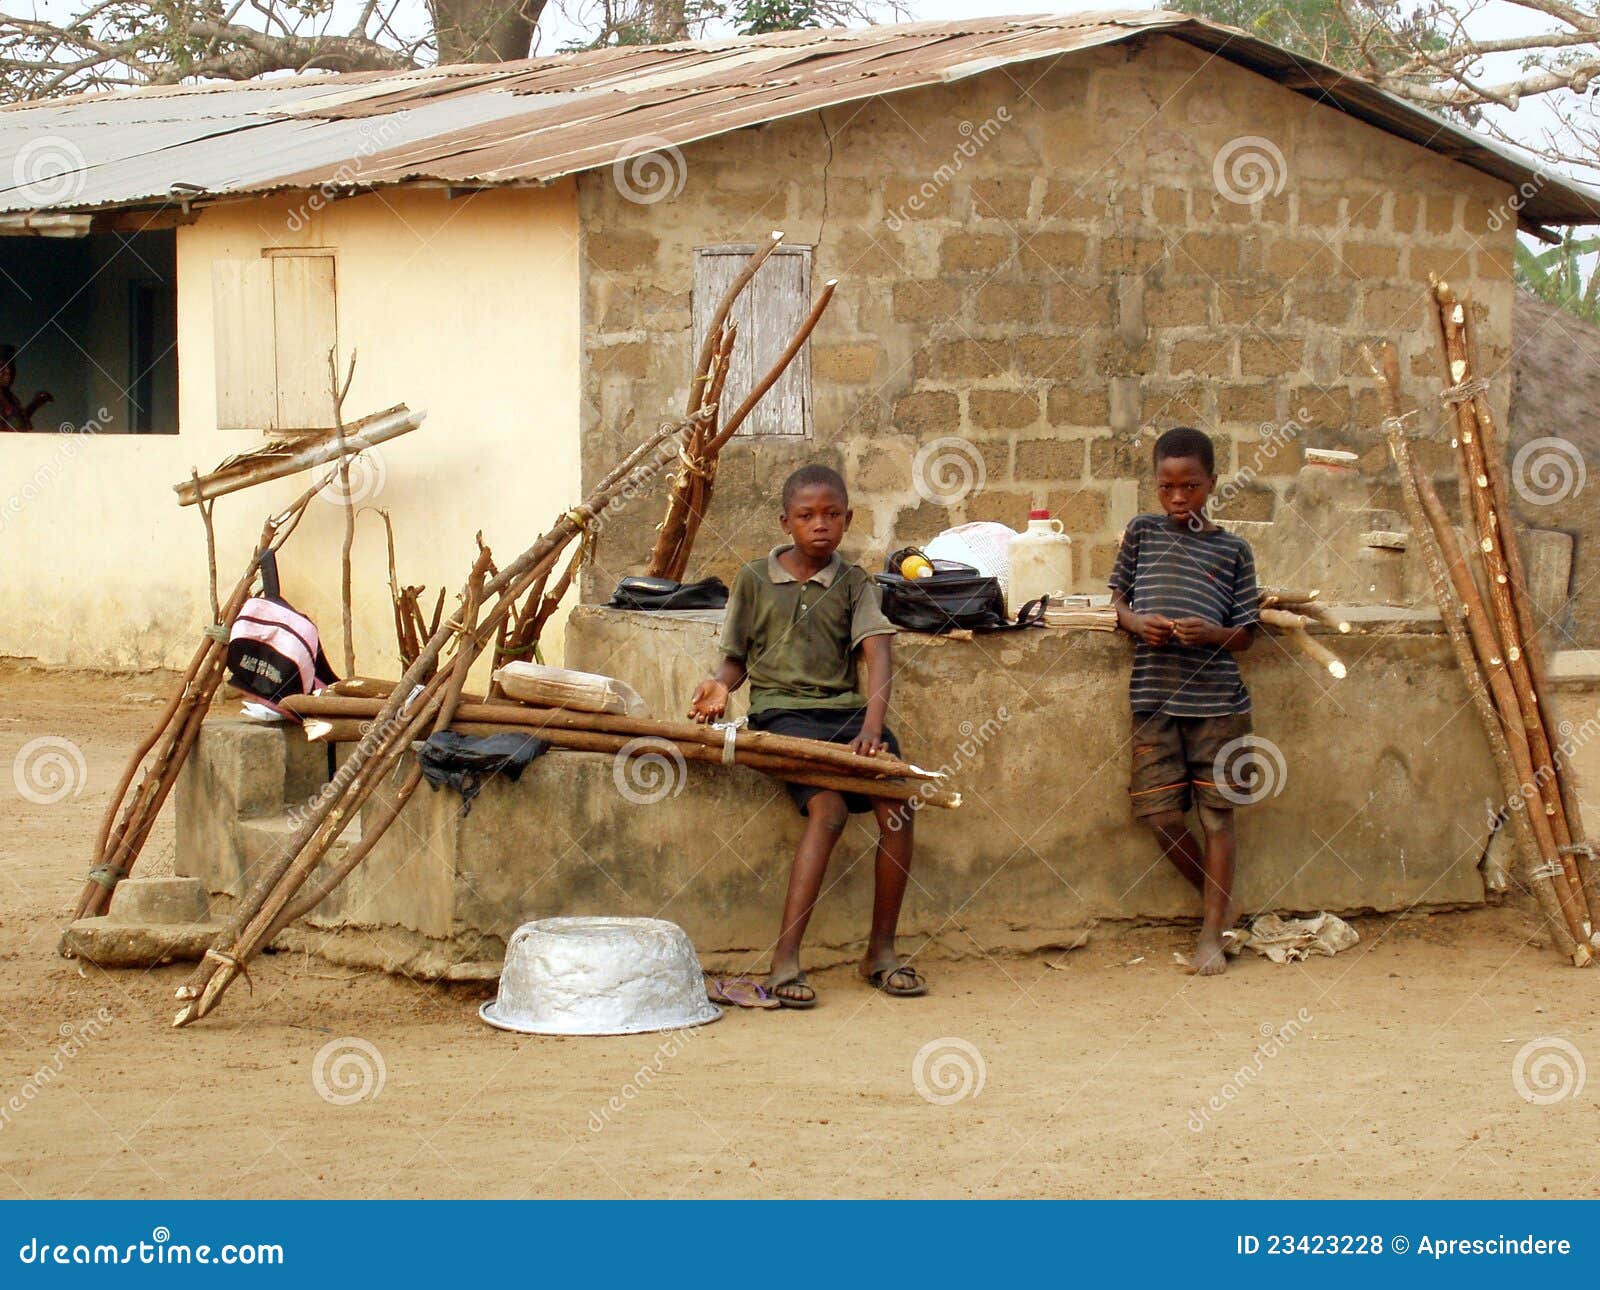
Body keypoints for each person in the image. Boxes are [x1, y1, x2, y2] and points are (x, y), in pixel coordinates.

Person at [688, 464, 925, 1008]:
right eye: (806, 516)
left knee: (899, 808)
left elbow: (878, 655)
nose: (820, 524)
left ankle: (881, 953)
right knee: (830, 811)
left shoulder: (855, 583)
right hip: (782, 718)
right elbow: (735, 660)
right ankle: (785, 961)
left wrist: (872, 728)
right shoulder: (753, 580)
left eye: (832, 514)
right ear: (785, 522)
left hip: (846, 717)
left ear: (848, 518)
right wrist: (719, 687)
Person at [1109, 426, 1258, 976]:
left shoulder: (1232, 549)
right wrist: (1135, 623)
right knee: (1160, 815)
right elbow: (1117, 600)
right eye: (1167, 487)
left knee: (1217, 817)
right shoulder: (1141, 533)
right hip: (1153, 698)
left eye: (1190, 486)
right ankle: (1221, 904)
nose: (1178, 498)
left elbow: (1245, 634)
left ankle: (1210, 935)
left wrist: (1211, 634)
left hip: (1217, 704)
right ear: (1155, 485)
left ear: (1212, 483)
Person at [0, 344, 53, 432]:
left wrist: (35, 404)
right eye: (1, 366)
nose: (8, 371)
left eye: (11, 366)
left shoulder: (9, 398)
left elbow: (18, 424)